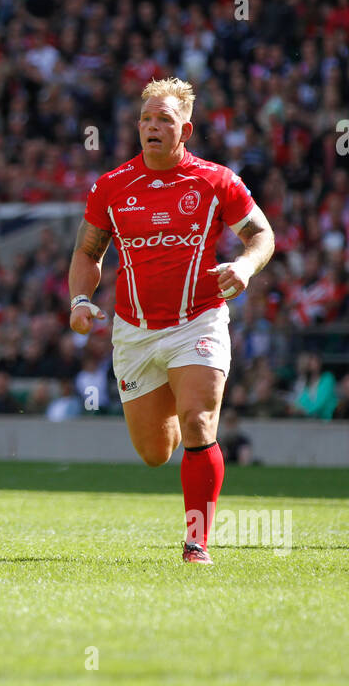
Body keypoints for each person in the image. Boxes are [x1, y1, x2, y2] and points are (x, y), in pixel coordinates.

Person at [69, 77, 275, 564]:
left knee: (199, 422)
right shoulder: (112, 186)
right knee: (155, 452)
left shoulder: (216, 180)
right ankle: (183, 417)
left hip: (198, 322)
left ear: (187, 129)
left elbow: (261, 234)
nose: (152, 127)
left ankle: (196, 542)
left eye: (164, 119)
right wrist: (80, 299)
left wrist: (245, 267)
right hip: (135, 330)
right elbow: (87, 250)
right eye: (146, 119)